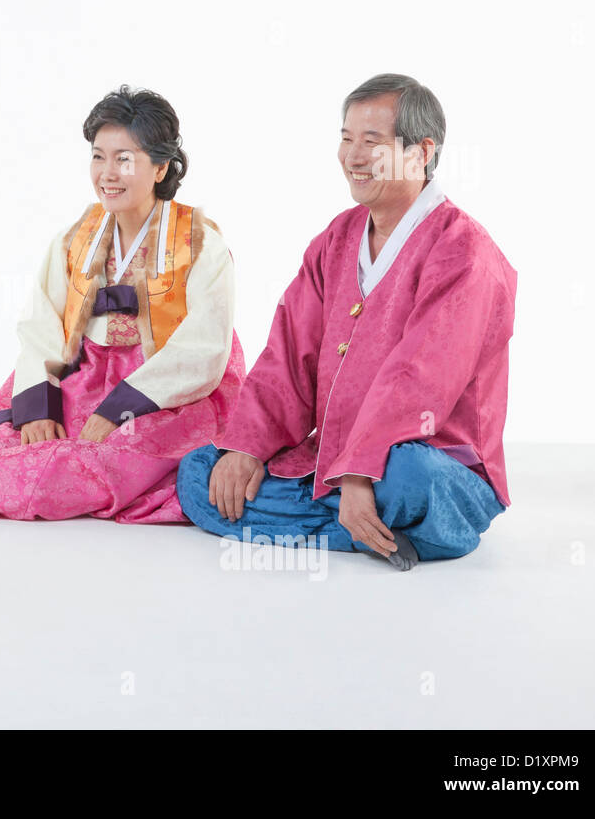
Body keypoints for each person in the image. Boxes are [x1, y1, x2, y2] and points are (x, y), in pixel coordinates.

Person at [177, 74, 517, 569]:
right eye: (346, 138)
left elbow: (422, 378)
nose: (353, 156)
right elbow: (288, 358)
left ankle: (379, 516)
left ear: (421, 152)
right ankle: (370, 533)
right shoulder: (337, 240)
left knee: (405, 478)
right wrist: (250, 446)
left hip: (427, 462)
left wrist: (360, 474)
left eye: (372, 142)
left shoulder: (464, 252)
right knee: (200, 473)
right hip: (331, 456)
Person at [0, 86, 245, 523]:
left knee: (109, 458)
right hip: (86, 372)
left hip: (169, 389)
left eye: (124, 158)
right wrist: (39, 404)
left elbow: (203, 349)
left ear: (161, 166)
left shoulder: (200, 242)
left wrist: (118, 410)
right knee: (15, 442)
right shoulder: (76, 239)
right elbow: (43, 323)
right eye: (98, 156)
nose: (107, 173)